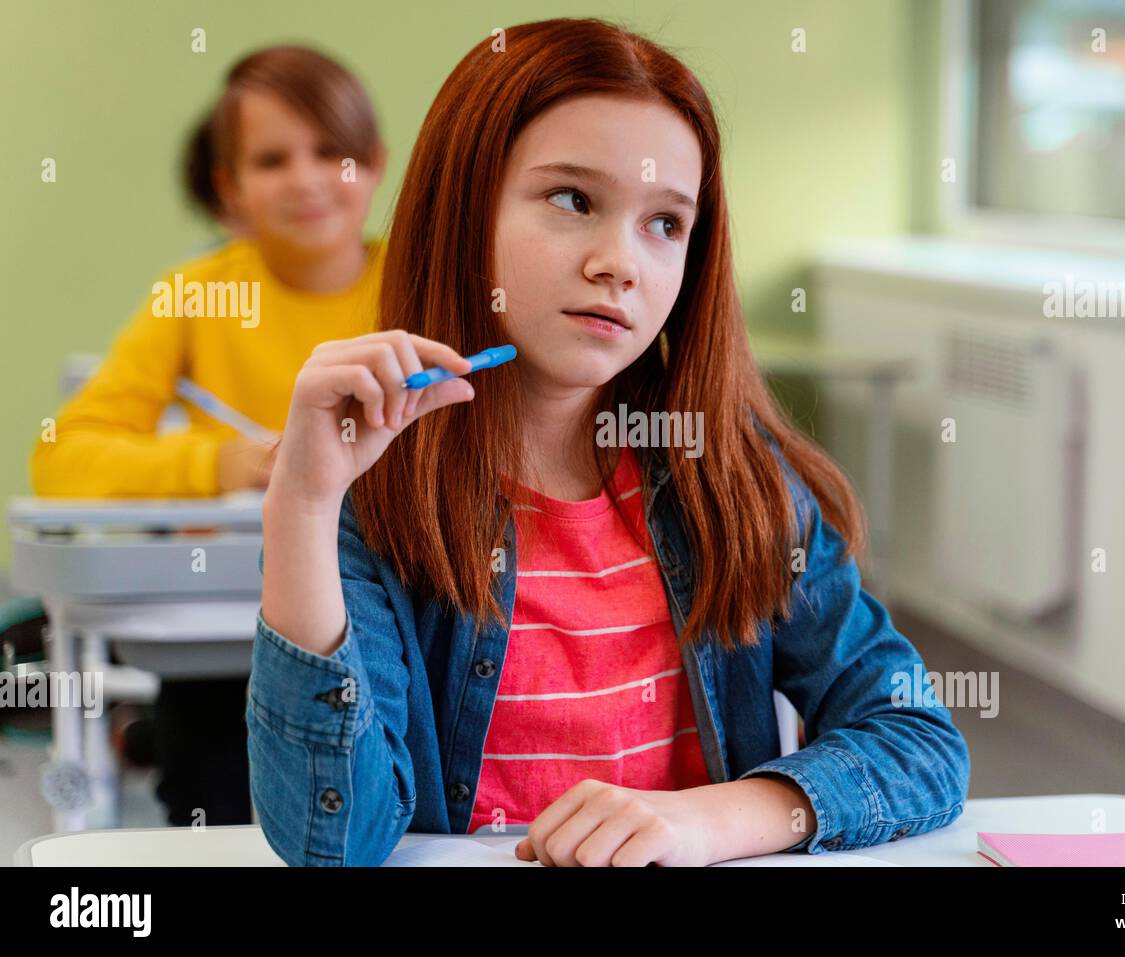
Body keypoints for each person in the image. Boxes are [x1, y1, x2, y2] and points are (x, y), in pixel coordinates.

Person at [249, 17, 970, 866]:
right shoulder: (373, 498)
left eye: (666, 223)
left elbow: (918, 736)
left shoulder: (742, 484)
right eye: (573, 200)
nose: (619, 263)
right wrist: (301, 503)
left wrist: (715, 816)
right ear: (461, 207)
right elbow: (331, 843)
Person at [30, 45, 388, 826]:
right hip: (226, 631)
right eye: (271, 159)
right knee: (217, 808)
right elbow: (63, 455)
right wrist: (223, 460)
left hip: (391, 621)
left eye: (333, 152)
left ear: (377, 165)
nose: (305, 178)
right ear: (229, 188)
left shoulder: (418, 281)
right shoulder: (194, 296)